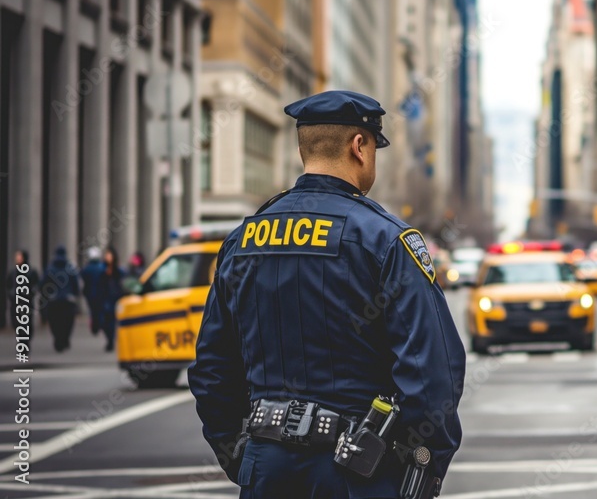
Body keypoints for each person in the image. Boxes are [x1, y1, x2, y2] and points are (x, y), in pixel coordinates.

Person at [189, 90, 465, 499]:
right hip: (360, 472)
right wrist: (424, 466)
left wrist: (239, 454)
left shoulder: (243, 239)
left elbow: (212, 368)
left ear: (304, 148)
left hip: (265, 469)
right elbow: (431, 375)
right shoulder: (385, 239)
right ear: (359, 146)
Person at [40, 246, 80, 353]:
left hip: (54, 300)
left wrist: (46, 295)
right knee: (68, 322)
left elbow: (43, 284)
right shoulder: (70, 268)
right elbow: (75, 284)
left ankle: (58, 339)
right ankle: (65, 339)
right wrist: (75, 294)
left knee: (55, 322)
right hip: (68, 300)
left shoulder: (50, 268)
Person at [96, 247, 125, 352]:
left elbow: (122, 284)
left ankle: (111, 341)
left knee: (112, 322)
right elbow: (99, 285)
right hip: (105, 299)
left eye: (109, 255)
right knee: (104, 322)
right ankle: (109, 339)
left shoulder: (118, 271)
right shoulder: (102, 270)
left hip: (115, 299)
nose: (107, 257)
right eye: (106, 255)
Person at [6, 250, 39, 339]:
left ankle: (25, 338)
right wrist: (11, 294)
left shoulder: (31, 272)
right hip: (16, 301)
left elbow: (36, 284)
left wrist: (31, 293)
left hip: (27, 301)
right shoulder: (13, 272)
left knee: (27, 322)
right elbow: (8, 285)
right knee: (15, 322)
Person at [80, 247, 104, 336]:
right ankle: (99, 325)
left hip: (90, 293)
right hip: (100, 293)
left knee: (93, 311)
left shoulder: (87, 268)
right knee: (99, 310)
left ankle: (95, 327)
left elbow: (83, 279)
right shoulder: (102, 267)